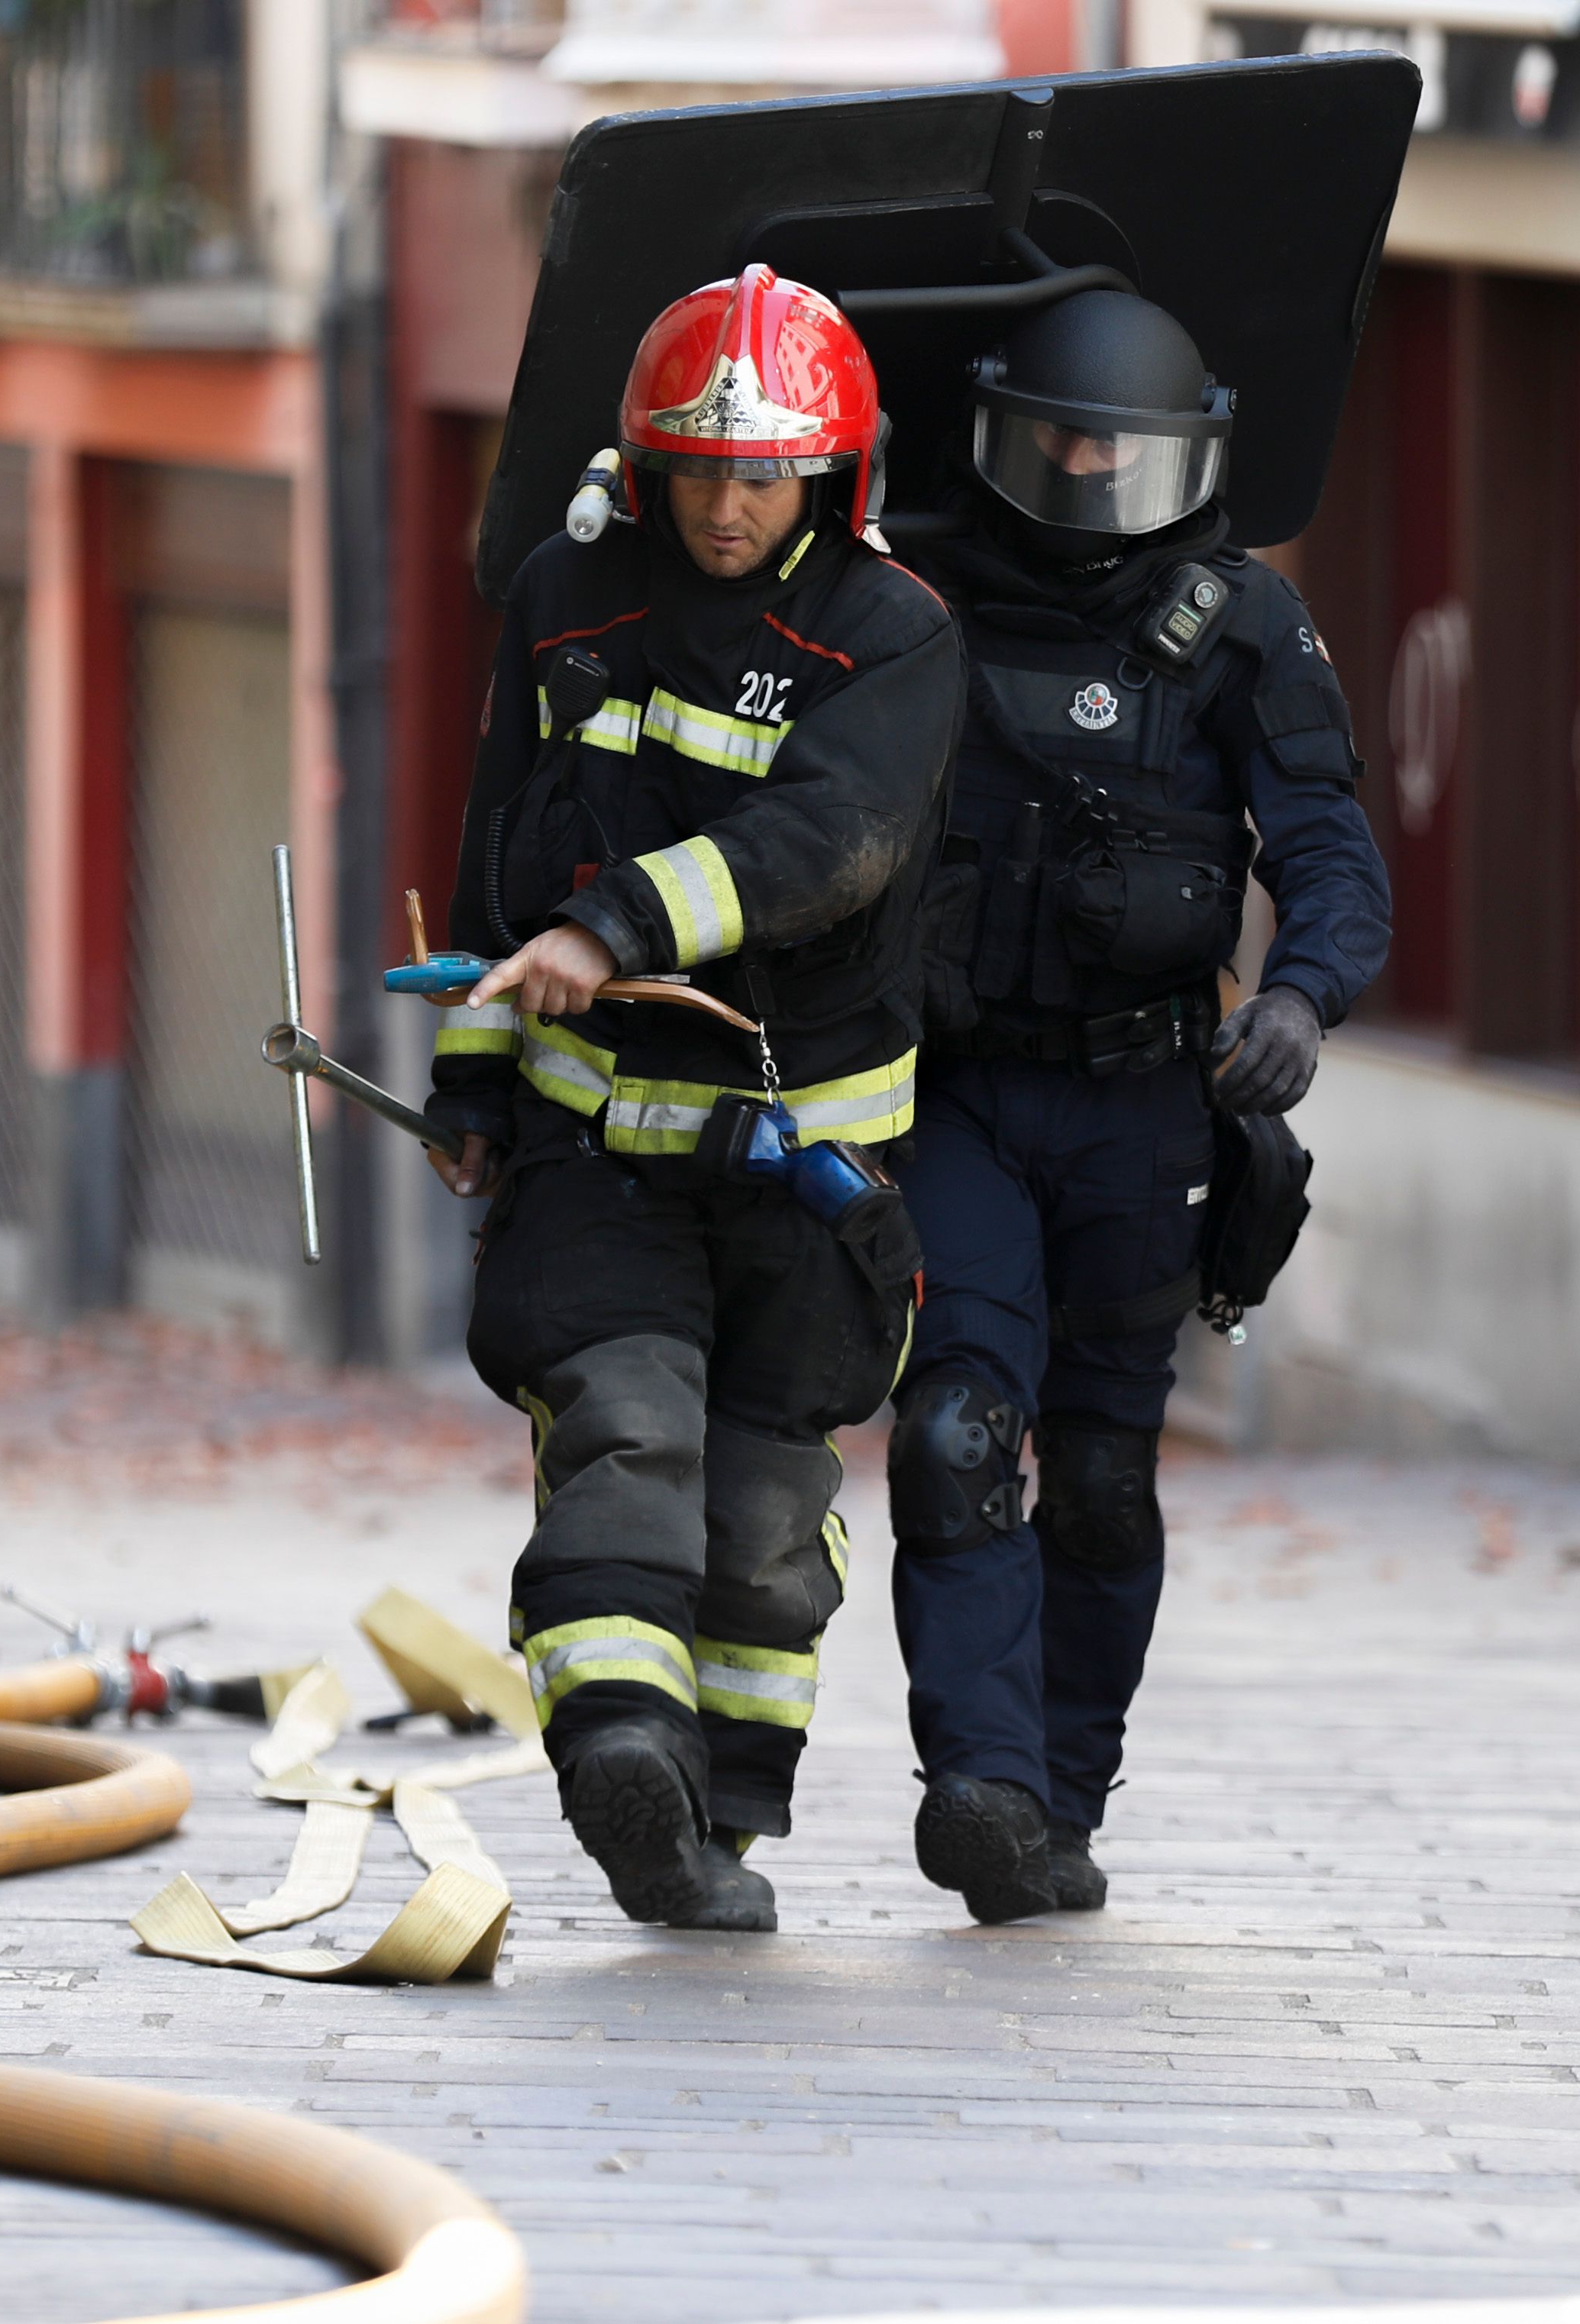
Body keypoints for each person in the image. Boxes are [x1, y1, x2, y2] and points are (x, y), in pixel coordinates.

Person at [425, 265, 961, 1933]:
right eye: (698, 470)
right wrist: (475, 1076)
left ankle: (719, 1816)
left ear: (832, 475)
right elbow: (495, 835)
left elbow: (826, 846)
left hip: (806, 1172)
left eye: (765, 474)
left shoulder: (894, 638)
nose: (727, 508)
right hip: (598, 1155)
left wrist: (620, 921)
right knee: (623, 1431)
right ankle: (619, 1757)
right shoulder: (564, 594)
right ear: (642, 460)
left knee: (766, 1513)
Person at [890, 289, 1391, 1922]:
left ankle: (1063, 1793)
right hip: (963, 1085)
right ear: (996, 437)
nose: (1092, 473)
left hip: (1148, 1105)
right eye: (1061, 444)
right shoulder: (913, 591)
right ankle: (978, 1779)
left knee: (1101, 1470)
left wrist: (1302, 1000)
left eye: (1123, 451)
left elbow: (1328, 845)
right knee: (957, 1427)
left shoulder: (1238, 620)